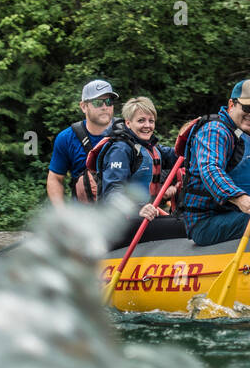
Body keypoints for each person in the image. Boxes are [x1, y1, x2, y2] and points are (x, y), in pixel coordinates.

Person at [177, 79, 250, 246]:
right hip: (208, 222)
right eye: (247, 108)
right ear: (231, 104)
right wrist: (240, 199)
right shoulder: (214, 130)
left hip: (236, 211)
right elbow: (210, 169)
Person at [97, 96, 184, 246]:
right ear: (128, 123)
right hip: (121, 225)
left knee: (188, 220)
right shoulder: (120, 149)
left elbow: (179, 154)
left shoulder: (151, 147)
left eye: (151, 121)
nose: (147, 125)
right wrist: (139, 209)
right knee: (185, 227)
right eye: (141, 120)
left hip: (144, 219)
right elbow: (113, 193)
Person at [46, 79, 117, 207]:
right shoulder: (66, 138)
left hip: (125, 217)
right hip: (84, 218)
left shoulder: (128, 132)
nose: (105, 107)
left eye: (109, 102)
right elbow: (55, 178)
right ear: (84, 107)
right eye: (97, 103)